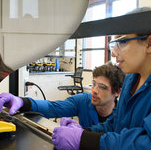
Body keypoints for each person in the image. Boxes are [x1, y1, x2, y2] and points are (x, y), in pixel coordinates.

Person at [51, 9, 151, 150]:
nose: (114, 52)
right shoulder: (130, 79)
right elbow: (116, 124)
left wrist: (84, 140)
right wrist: (85, 132)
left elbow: (146, 143)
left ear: (149, 43)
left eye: (122, 41)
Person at [0, 63, 126, 128]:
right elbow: (52, 107)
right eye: (93, 83)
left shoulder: (125, 115)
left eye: (102, 87)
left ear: (117, 92)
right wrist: (22, 101)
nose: (94, 90)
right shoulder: (83, 101)